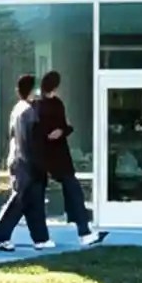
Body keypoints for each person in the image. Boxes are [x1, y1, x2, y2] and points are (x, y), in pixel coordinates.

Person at [38, 71, 108, 247]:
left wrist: (61, 131)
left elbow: (60, 127)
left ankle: (82, 230)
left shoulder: (41, 105)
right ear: (55, 87)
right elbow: (59, 127)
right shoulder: (51, 105)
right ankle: (83, 231)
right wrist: (59, 132)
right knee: (72, 191)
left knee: (68, 191)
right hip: (55, 155)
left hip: (50, 154)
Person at [0, 75, 55, 252]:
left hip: (20, 162)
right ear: (32, 90)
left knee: (35, 201)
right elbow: (31, 142)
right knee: (20, 201)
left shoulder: (18, 109)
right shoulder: (29, 113)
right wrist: (39, 165)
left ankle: (41, 238)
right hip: (28, 163)